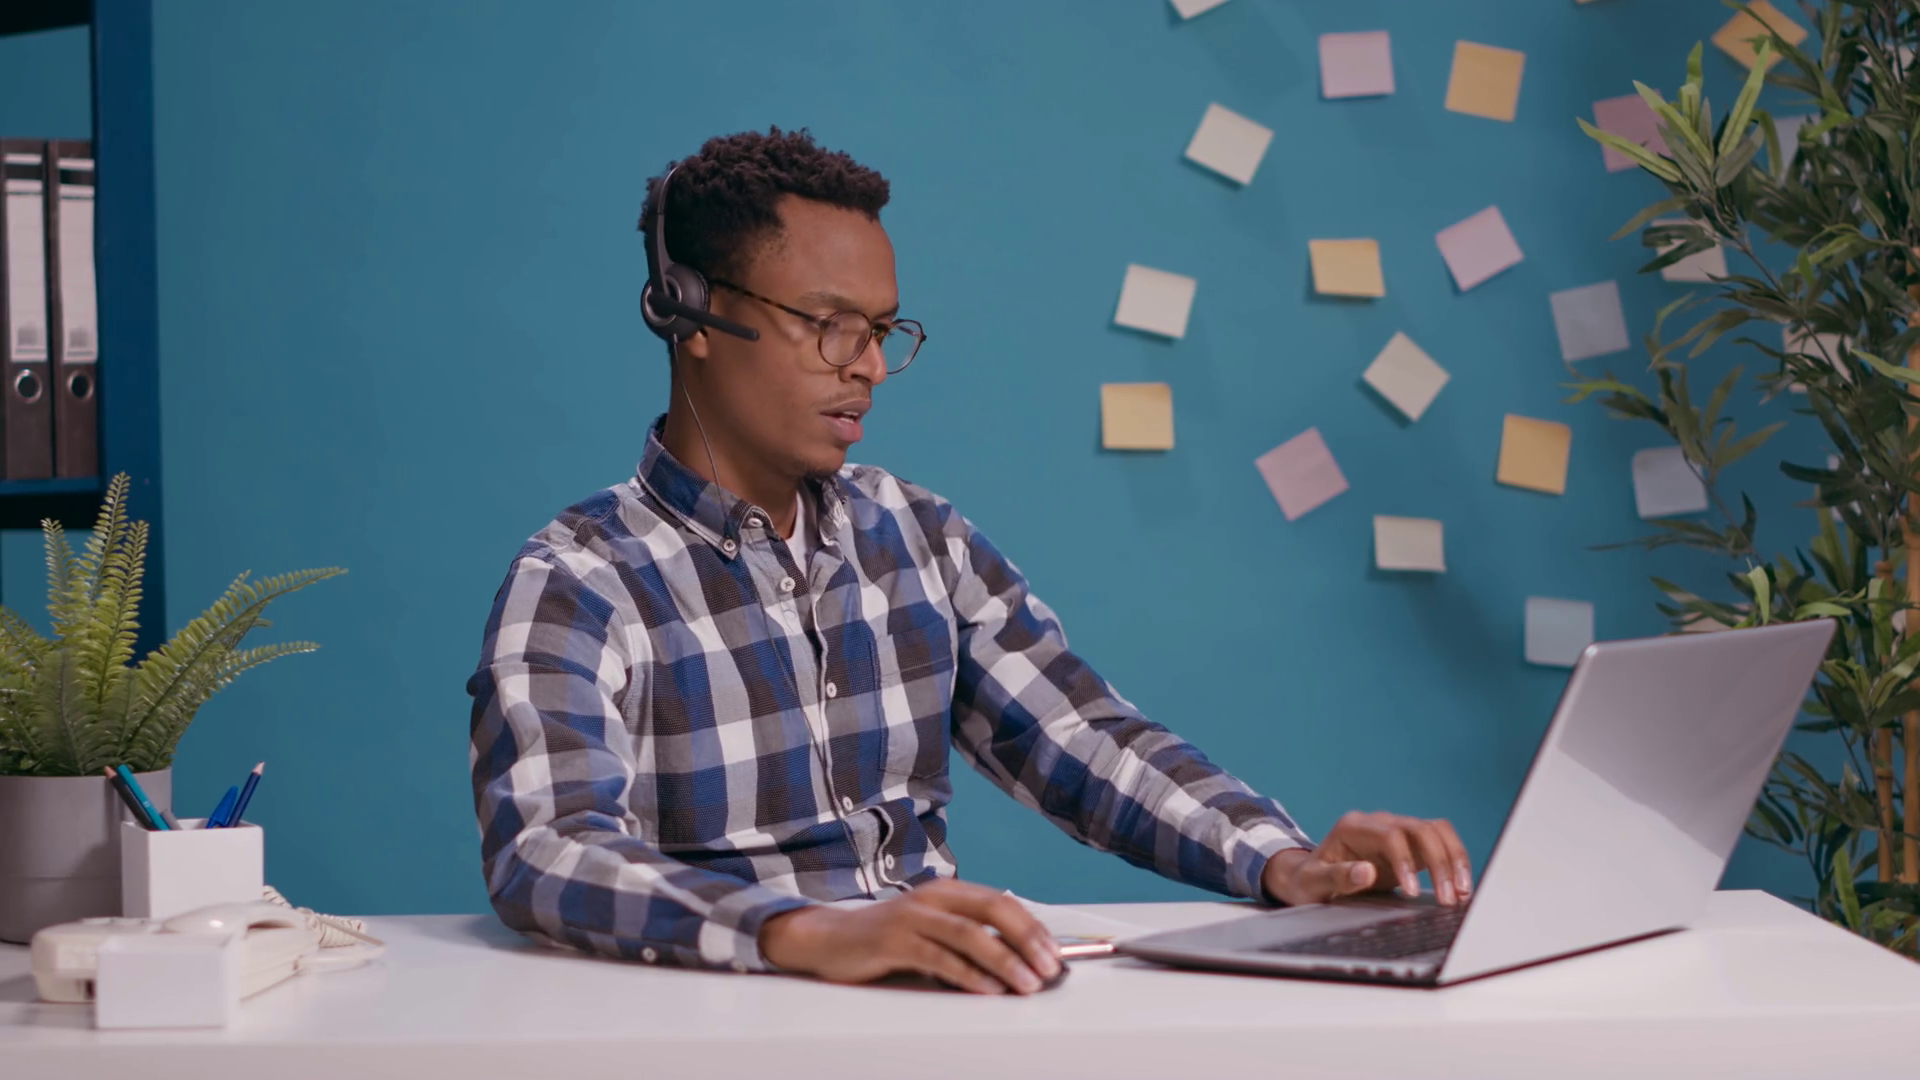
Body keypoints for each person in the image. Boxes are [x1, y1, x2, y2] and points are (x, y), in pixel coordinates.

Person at [467, 128, 1473, 996]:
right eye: (828, 326)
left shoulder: (919, 537)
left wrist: (1287, 865)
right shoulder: (580, 578)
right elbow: (548, 853)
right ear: (687, 312)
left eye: (881, 330)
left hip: (940, 1009)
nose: (866, 365)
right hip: (731, 1017)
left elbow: (1081, 742)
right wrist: (801, 932)